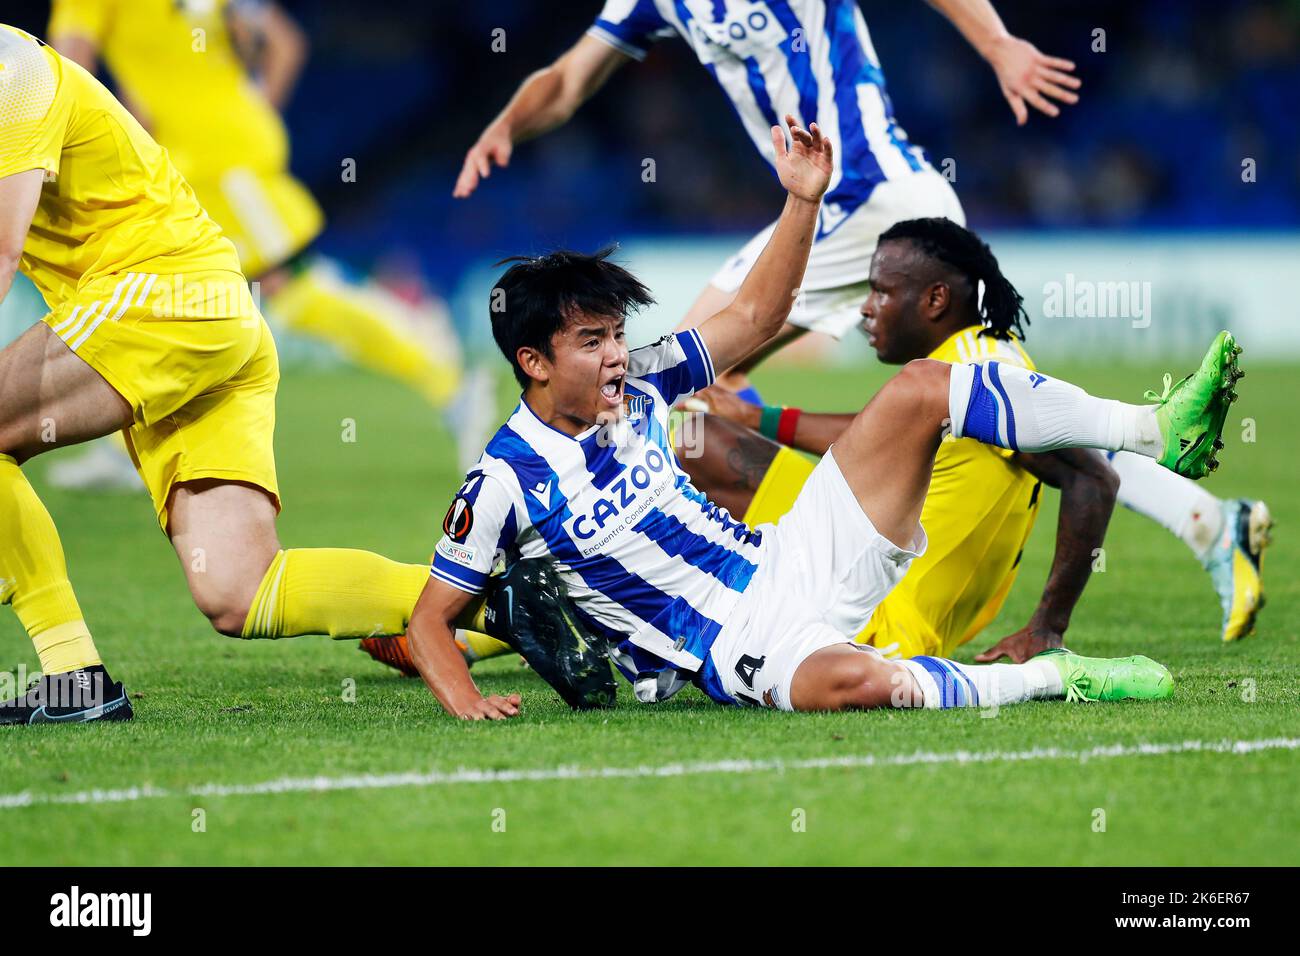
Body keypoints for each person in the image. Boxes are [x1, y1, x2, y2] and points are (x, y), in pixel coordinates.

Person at [403, 116, 1240, 719]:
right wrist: (465, 698)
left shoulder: (648, 382)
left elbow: (760, 318)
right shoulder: (506, 479)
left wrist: (802, 201)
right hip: (731, 644)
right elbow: (428, 618)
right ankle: (1059, 677)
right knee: (862, 686)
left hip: (793, 552)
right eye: (593, 342)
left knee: (919, 388)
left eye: (618, 334)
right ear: (534, 363)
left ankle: (1154, 428)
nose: (619, 355)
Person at [0, 24, 465, 725]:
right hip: (211, 309)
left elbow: (4, 249)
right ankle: (509, 609)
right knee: (242, 591)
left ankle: (73, 675)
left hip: (158, 297)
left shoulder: (14, 73)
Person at [673, 217, 1270, 666]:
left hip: (875, 616)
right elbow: (868, 437)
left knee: (688, 444)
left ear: (935, 299)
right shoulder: (965, 363)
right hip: (864, 565)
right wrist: (757, 419)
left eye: (881, 292)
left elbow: (1093, 477)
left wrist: (1047, 628)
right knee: (699, 435)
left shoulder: (984, 368)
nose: (865, 311)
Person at [453, 0, 1081, 404]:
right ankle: (1127, 460)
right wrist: (506, 124)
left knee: (681, 379)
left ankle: (739, 561)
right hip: (839, 206)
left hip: (871, 193)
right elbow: (567, 80)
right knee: (703, 381)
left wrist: (997, 43)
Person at [44, 0, 490, 488]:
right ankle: (128, 447)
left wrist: (99, 134)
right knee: (159, 293)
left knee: (291, 289)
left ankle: (449, 379)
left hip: (214, 163)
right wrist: (252, 112)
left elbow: (69, 62)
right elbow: (283, 41)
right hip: (207, 153)